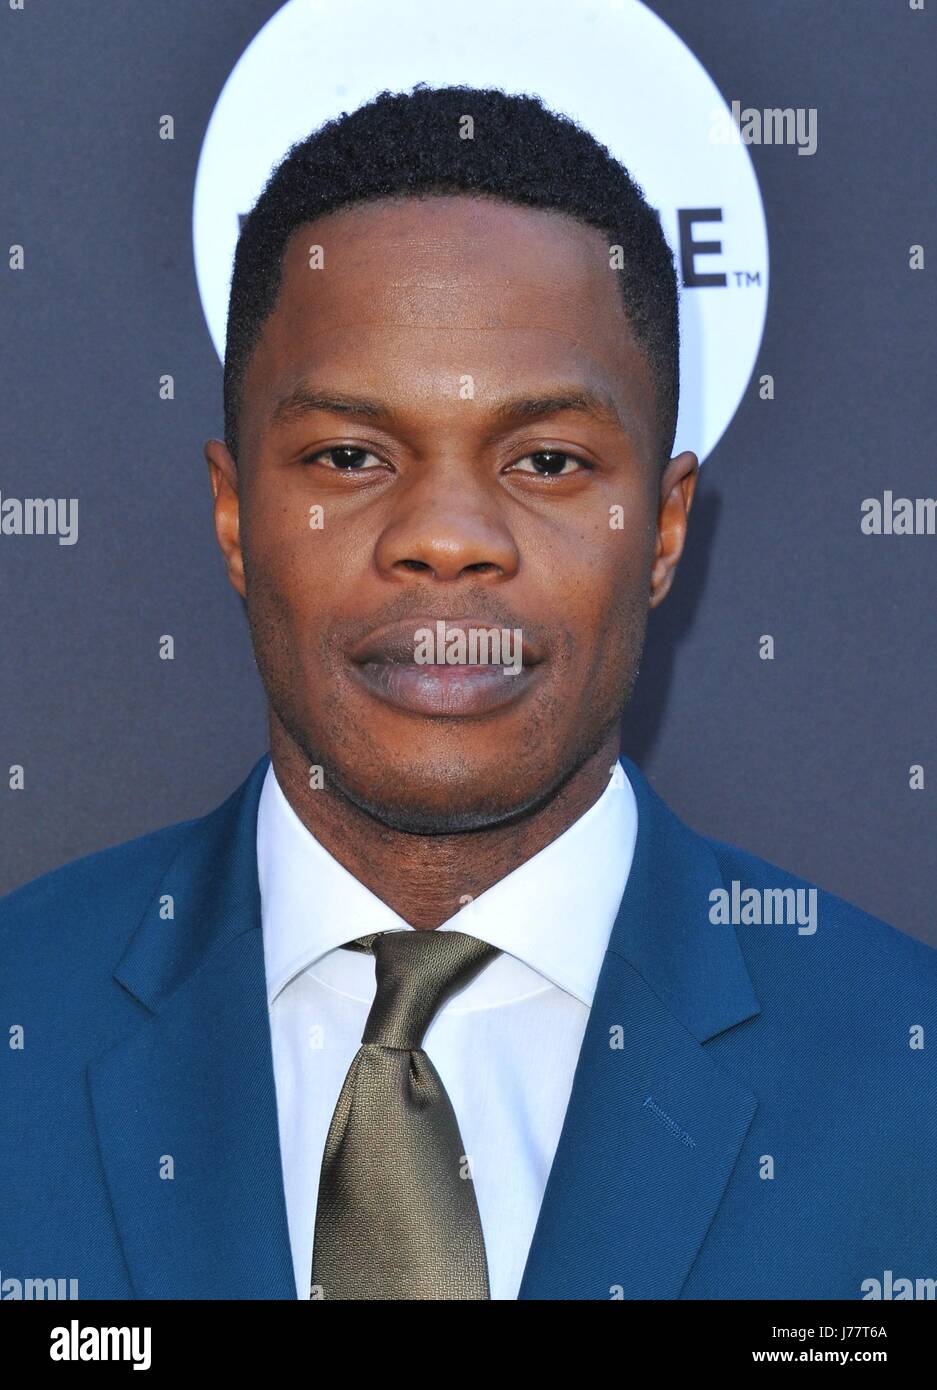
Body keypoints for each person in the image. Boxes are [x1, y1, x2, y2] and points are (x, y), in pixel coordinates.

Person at [2, 84, 936, 1302]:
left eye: (546, 462)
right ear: (234, 516)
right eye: (350, 455)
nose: (446, 538)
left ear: (660, 528)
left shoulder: (904, 1080)